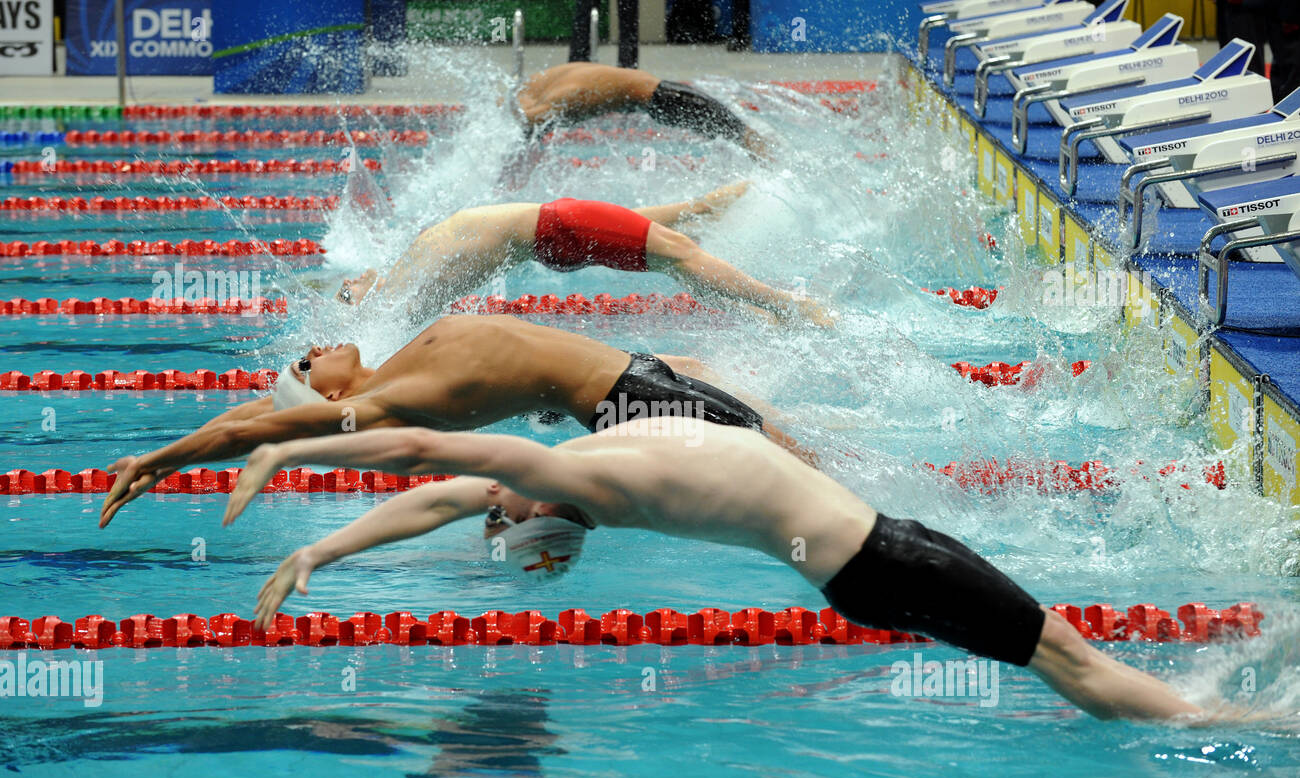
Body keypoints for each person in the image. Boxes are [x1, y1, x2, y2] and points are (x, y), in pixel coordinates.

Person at [222, 417, 1214, 723]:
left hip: (878, 549)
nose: (494, 498)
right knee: (1064, 658)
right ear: (540, 516)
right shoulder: (572, 478)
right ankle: (1238, 726)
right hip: (874, 562)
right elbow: (426, 451)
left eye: (495, 507)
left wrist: (318, 545)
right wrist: (286, 453)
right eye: (503, 511)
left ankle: (1198, 705)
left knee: (1061, 654)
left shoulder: (585, 473)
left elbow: (437, 492)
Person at [97, 316, 809, 528]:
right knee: (786, 464)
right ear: (326, 397)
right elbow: (252, 429)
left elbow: (258, 410)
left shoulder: (391, 367)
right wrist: (159, 462)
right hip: (624, 398)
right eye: (305, 363)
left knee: (786, 453)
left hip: (635, 372)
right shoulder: (376, 404)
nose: (312, 349)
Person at [334, 183, 827, 324]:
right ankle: (782, 303)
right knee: (675, 254)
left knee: (673, 249)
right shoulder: (417, 260)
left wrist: (358, 312)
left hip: (555, 232)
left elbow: (396, 313)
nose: (354, 288)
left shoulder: (410, 270)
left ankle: (778, 303)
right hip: (556, 228)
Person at [514, 62, 767, 156]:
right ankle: (771, 160)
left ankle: (775, 170)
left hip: (664, 98)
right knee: (742, 136)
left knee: (744, 138)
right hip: (665, 92)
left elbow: (529, 122)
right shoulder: (537, 84)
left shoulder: (563, 98)